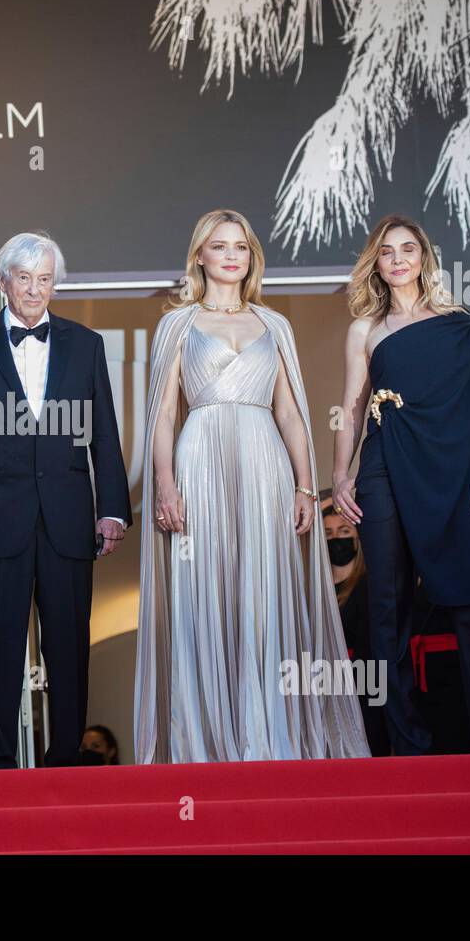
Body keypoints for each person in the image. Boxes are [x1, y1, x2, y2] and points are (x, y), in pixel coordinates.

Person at [135, 209, 370, 763]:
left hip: (265, 461)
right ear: (200, 255)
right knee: (205, 596)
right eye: (219, 246)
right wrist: (165, 484)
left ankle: (268, 737)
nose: (232, 255)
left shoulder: (274, 324)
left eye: (241, 246)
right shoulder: (177, 324)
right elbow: (162, 414)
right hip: (200, 460)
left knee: (265, 597)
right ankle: (207, 740)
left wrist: (306, 487)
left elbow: (290, 412)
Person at [0, 231, 132, 769]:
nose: (36, 290)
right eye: (25, 279)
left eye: (45, 280)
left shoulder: (86, 344)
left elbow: (104, 435)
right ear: (3, 283)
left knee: (68, 650)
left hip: (69, 519)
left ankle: (65, 760)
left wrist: (112, 507)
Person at [332, 214, 470, 755]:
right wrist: (342, 474)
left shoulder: (459, 323)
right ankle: (407, 745)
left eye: (408, 248)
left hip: (453, 471)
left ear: (423, 257)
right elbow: (352, 406)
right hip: (385, 465)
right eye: (387, 252)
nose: (398, 258)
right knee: (387, 605)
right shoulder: (365, 329)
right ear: (377, 264)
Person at [323, 505, 389, 756]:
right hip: (323, 687)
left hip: (365, 690)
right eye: (328, 534)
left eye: (343, 531)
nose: (336, 539)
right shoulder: (317, 592)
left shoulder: (369, 587)